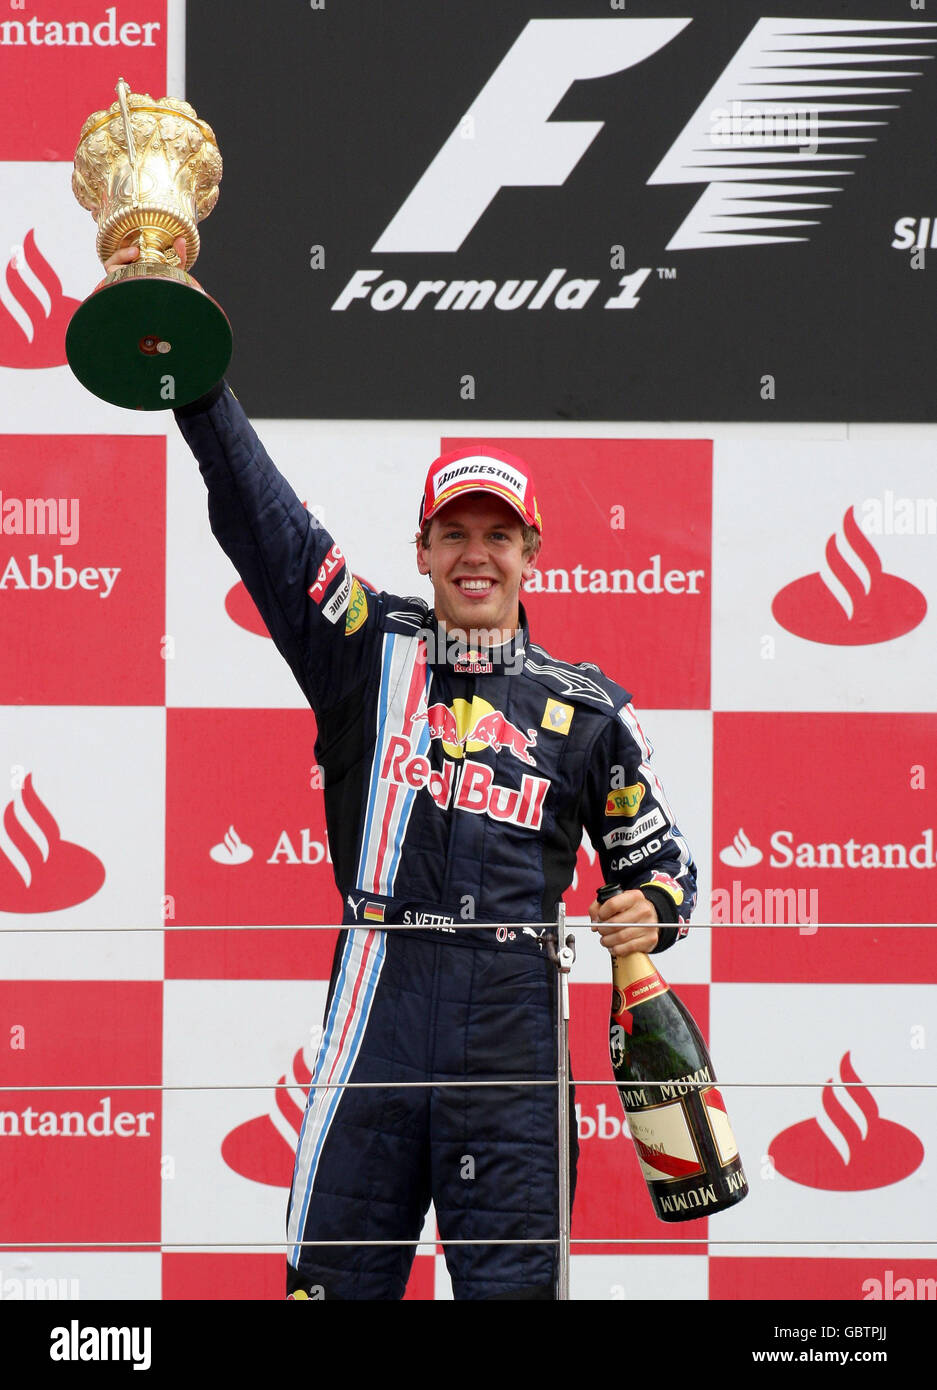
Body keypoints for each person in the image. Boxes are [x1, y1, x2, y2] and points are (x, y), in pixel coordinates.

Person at [107, 240, 697, 1301]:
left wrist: (646, 910)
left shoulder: (589, 708)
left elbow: (662, 865)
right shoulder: (365, 645)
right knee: (329, 1285)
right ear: (420, 547)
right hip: (378, 993)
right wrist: (196, 379)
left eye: (499, 536)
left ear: (533, 553)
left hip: (513, 1026)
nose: (477, 553)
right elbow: (266, 525)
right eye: (454, 532)